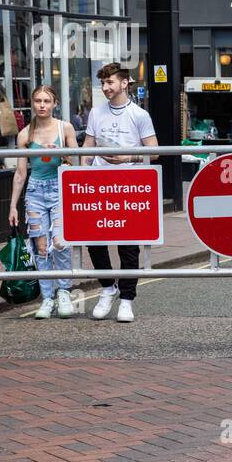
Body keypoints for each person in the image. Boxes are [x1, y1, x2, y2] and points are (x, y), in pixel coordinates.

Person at [82, 63, 159, 324]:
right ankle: (107, 288)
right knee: (94, 240)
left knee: (128, 245)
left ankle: (126, 299)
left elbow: (154, 150)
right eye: (102, 83)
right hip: (99, 185)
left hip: (129, 186)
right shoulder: (95, 112)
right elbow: (87, 147)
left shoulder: (139, 115)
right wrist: (82, 178)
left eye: (110, 82)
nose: (105, 88)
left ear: (124, 83)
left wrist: (128, 156)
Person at [8, 85, 79, 319]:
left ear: (54, 103)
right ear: (32, 103)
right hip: (35, 192)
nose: (42, 105)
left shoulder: (65, 128)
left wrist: (61, 153)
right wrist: (13, 206)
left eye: (46, 101)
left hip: (59, 189)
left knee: (60, 242)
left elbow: (79, 163)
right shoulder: (25, 135)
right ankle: (47, 298)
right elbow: (20, 173)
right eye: (38, 101)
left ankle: (64, 292)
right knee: (40, 248)